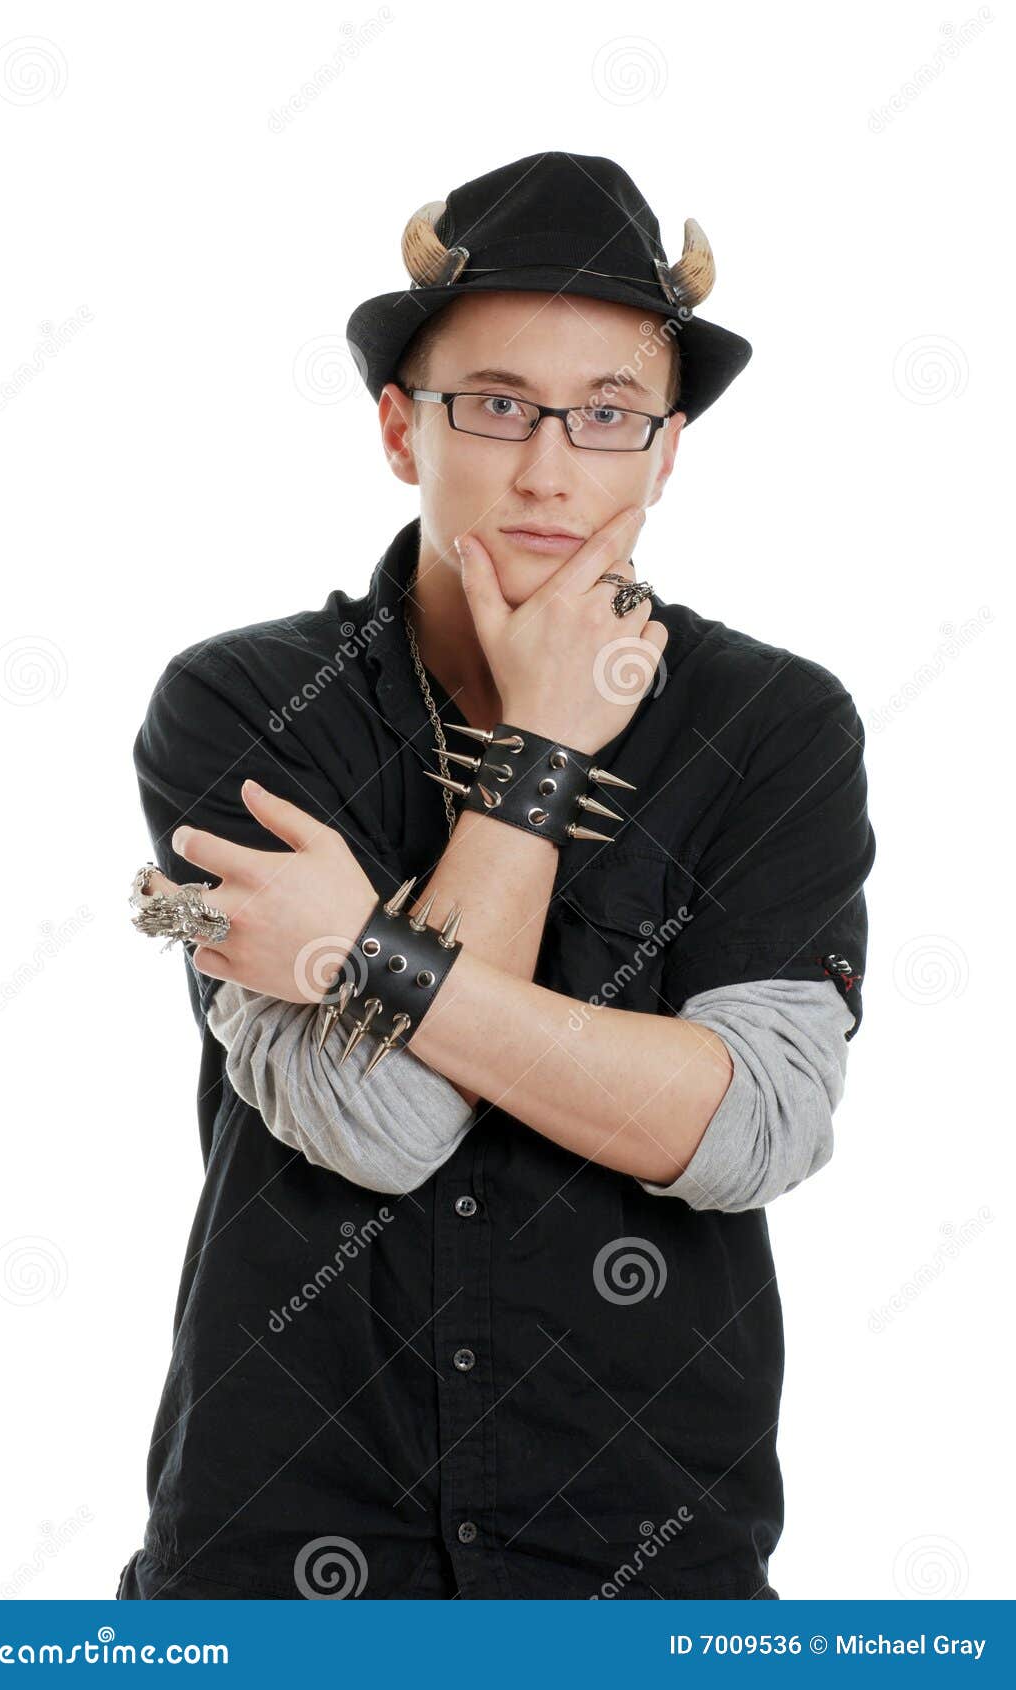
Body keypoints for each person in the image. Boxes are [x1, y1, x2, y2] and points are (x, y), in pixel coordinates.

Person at [117, 151, 875, 1602]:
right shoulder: (240, 705)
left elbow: (753, 1126)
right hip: (270, 1573)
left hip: (643, 1578)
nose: (547, 467)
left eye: (605, 417)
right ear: (401, 428)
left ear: (666, 453)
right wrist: (545, 749)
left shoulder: (776, 727)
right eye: (496, 405)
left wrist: (365, 957)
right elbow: (381, 1118)